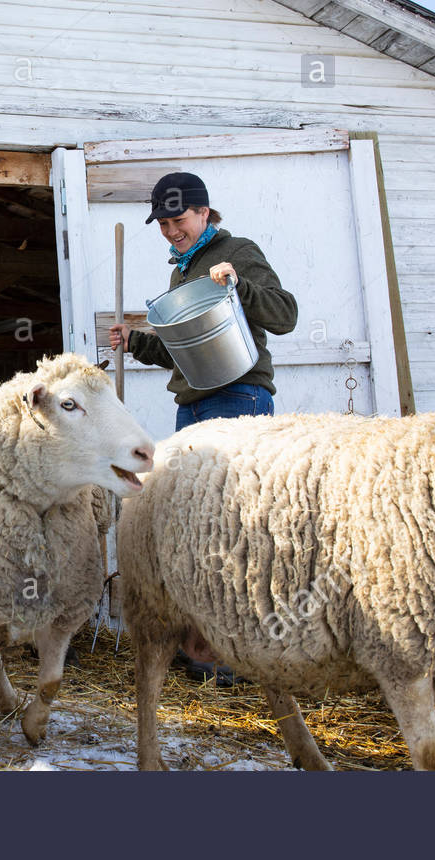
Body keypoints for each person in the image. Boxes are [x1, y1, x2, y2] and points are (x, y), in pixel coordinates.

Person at [109, 171, 298, 685]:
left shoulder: (237, 251)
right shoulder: (183, 271)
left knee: (238, 528)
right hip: (192, 407)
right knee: (199, 534)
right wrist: (136, 342)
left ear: (205, 212)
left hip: (239, 398)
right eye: (164, 223)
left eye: (179, 219)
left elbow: (285, 314)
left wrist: (240, 284)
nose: (172, 230)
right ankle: (204, 648)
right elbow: (180, 351)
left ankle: (242, 654)